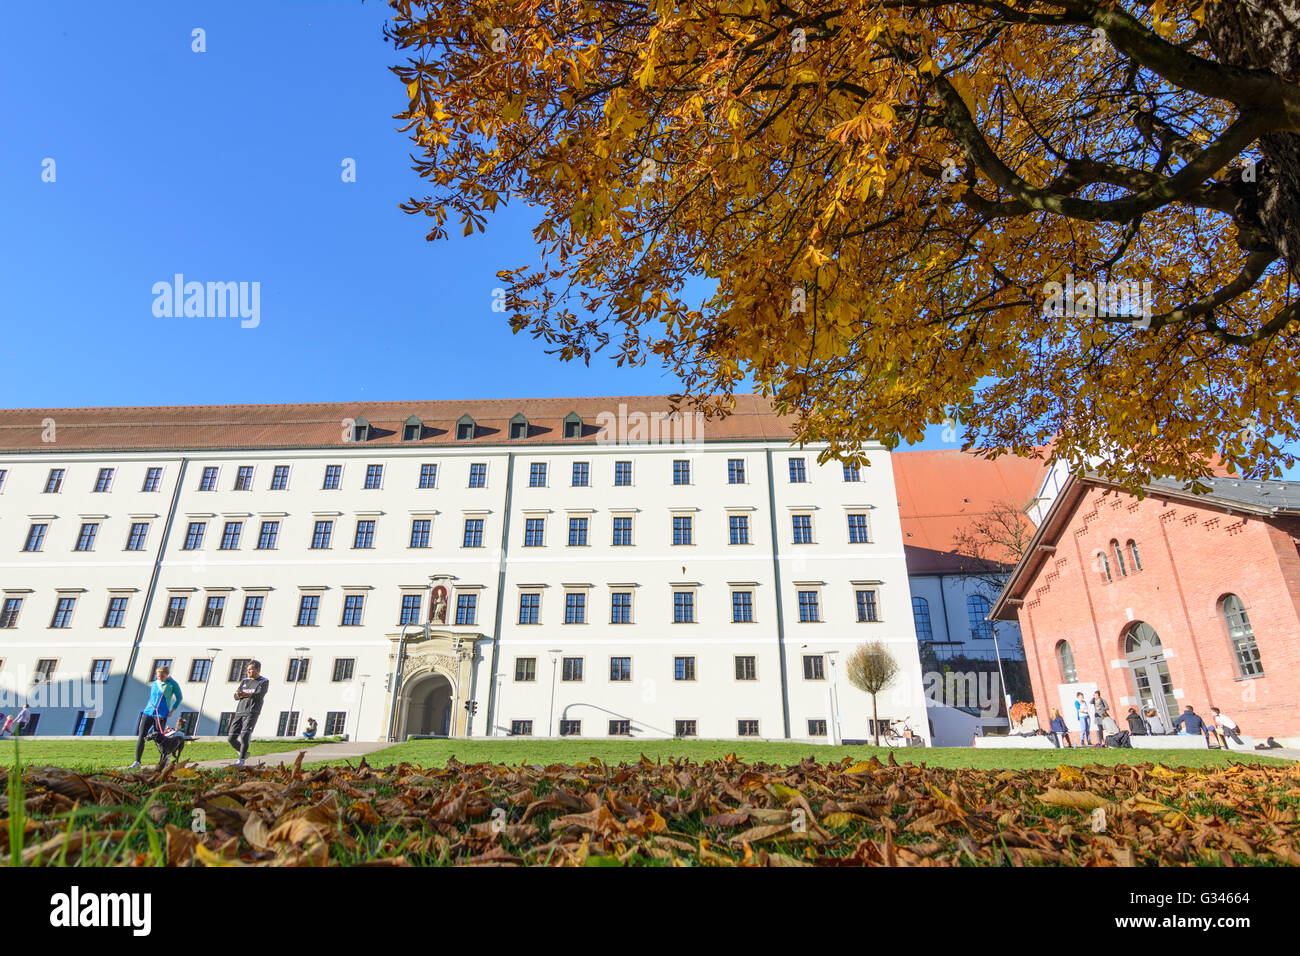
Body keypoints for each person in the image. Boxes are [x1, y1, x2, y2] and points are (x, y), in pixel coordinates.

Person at [129, 664, 182, 769]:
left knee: (159, 738)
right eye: (158, 676)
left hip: (161, 714)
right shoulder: (154, 684)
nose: (160, 678)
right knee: (142, 736)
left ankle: (165, 758)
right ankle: (137, 762)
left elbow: (179, 698)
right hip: (148, 712)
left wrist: (172, 711)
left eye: (162, 676)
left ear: (167, 675)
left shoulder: (172, 684)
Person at [228, 660, 270, 767]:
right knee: (231, 738)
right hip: (239, 712)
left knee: (245, 735)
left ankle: (241, 760)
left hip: (252, 712)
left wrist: (244, 694)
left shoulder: (263, 681)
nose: (248, 672)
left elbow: (259, 695)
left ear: (258, 669)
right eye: (247, 670)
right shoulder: (244, 681)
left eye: (250, 669)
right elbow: (235, 696)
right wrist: (239, 695)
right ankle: (244, 753)